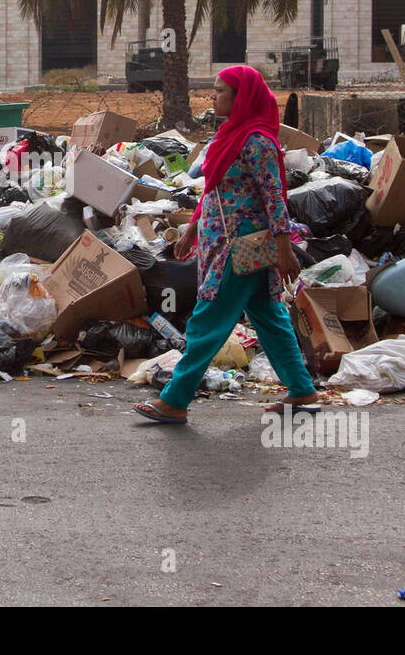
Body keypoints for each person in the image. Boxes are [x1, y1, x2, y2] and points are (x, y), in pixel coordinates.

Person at [133, 65, 319, 424]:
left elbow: (275, 197)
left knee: (209, 318)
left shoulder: (257, 142)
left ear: (242, 97)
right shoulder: (230, 136)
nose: (213, 97)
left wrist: (284, 248)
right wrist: (192, 229)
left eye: (220, 91)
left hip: (242, 244)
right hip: (223, 241)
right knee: (269, 317)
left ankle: (175, 399)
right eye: (214, 90)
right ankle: (302, 389)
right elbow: (216, 189)